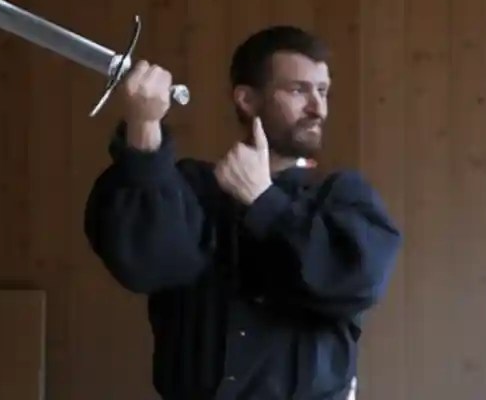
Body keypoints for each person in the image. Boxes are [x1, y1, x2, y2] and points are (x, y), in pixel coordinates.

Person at [83, 25, 402, 400]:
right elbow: (146, 264)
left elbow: (355, 281)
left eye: (323, 91)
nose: (318, 107)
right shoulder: (193, 190)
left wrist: (264, 201)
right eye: (299, 90)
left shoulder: (342, 198)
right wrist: (144, 126)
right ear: (247, 100)